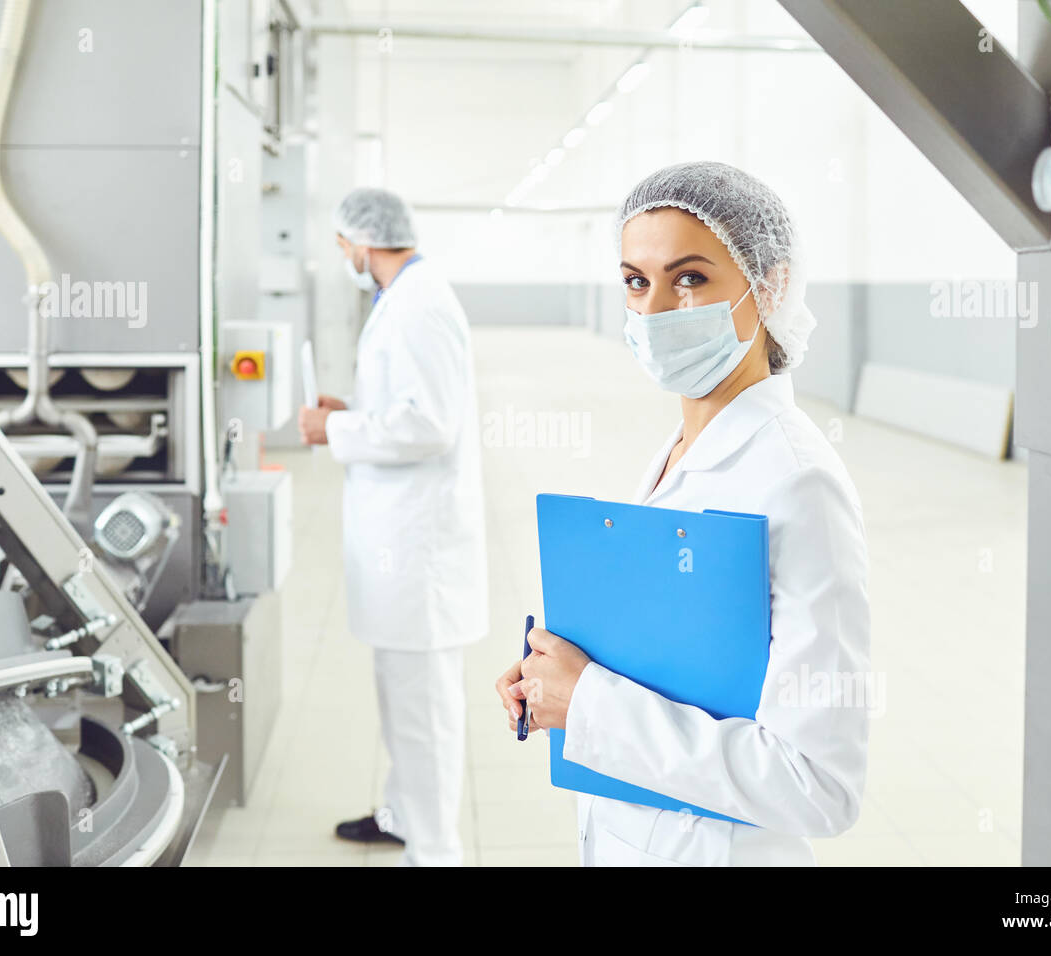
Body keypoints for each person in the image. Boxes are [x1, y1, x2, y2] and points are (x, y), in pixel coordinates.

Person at [494, 161, 870, 866]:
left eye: (690, 278)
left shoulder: (798, 483)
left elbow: (819, 786)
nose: (655, 308)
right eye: (636, 281)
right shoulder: (679, 452)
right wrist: (554, 678)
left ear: (773, 285)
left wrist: (589, 705)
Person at [299, 186, 487, 867]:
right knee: (401, 698)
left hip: (421, 555)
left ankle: (435, 853)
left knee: (424, 714)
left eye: (343, 244)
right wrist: (352, 410)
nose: (343, 255)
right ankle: (402, 815)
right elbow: (406, 405)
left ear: (362, 241)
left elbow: (431, 425)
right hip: (398, 546)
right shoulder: (401, 298)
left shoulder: (420, 303)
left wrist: (337, 427)